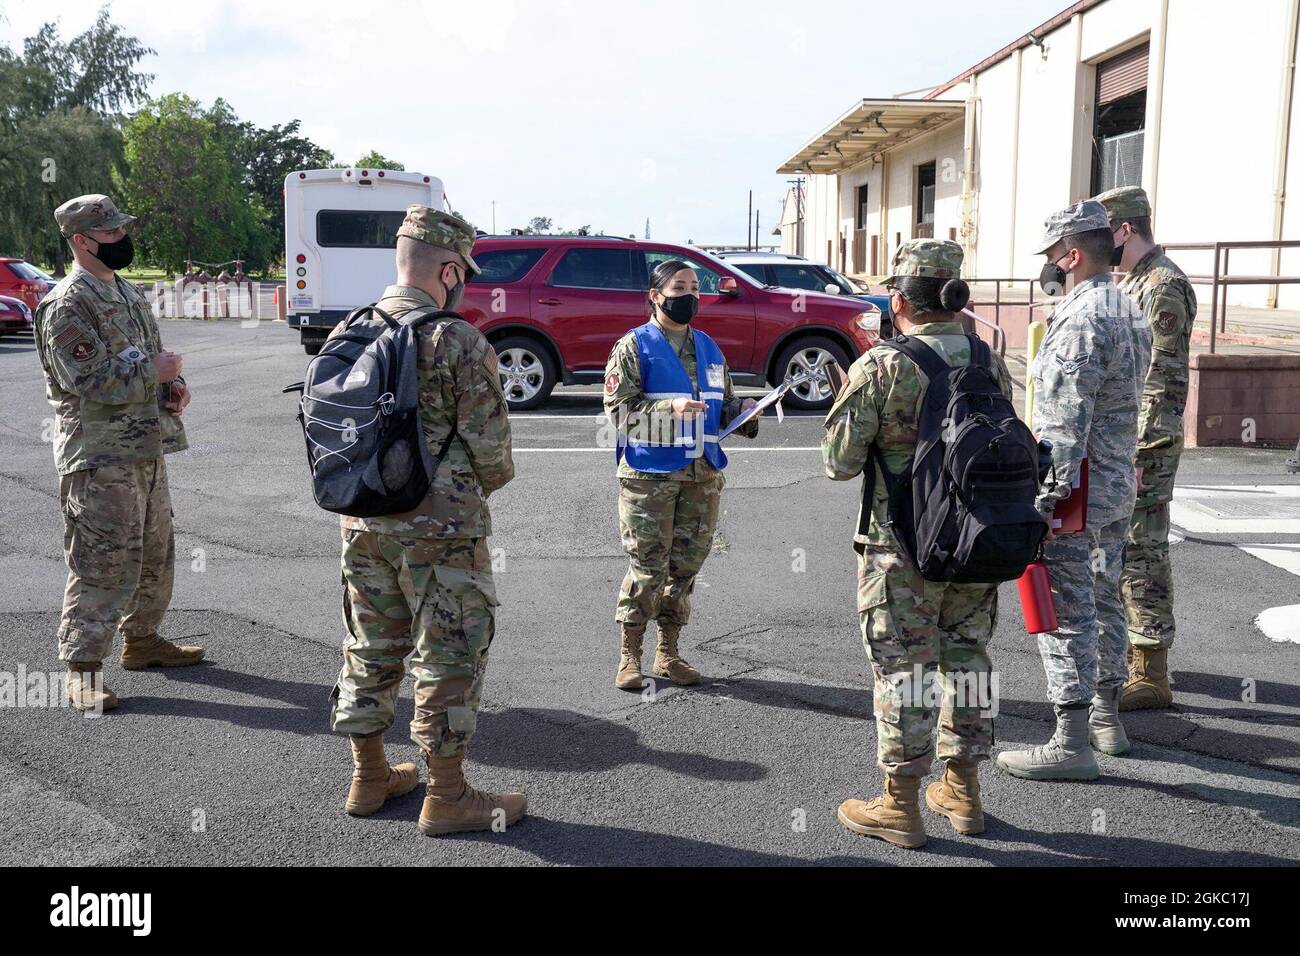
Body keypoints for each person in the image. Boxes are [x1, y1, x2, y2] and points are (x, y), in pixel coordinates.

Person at [326, 207, 525, 836]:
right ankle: (447, 796)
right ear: (447, 268)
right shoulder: (457, 338)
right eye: (461, 271)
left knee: (371, 644)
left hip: (360, 520)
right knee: (448, 652)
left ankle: (369, 776)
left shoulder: (348, 330)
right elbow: (492, 452)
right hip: (441, 530)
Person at [823, 239, 1013, 849]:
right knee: (969, 661)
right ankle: (966, 792)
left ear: (898, 299)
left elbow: (840, 462)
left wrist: (844, 403)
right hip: (977, 542)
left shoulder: (882, 365)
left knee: (905, 671)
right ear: (957, 296)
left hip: (901, 548)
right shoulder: (988, 359)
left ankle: (900, 806)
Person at [997, 201, 1151, 781]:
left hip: (1078, 490)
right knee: (1106, 596)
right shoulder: (1126, 305)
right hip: (1115, 483)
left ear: (1073, 254)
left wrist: (1044, 500)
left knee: (1065, 610)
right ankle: (1107, 717)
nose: (1050, 267)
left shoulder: (1083, 315)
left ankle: (1070, 741)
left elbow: (1062, 422)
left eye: (1052, 257)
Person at [34, 194, 202, 714]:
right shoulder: (67, 303)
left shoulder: (124, 291)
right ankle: (82, 670)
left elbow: (148, 358)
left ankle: (143, 640)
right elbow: (84, 379)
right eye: (110, 234)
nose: (122, 240)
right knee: (101, 558)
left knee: (156, 550)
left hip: (146, 446)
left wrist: (173, 390)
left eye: (121, 230)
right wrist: (155, 374)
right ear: (82, 241)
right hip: (99, 454)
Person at [603, 258, 760, 690]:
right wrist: (669, 411)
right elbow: (620, 414)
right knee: (647, 568)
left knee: (686, 568)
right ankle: (629, 656)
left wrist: (745, 411)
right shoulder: (634, 346)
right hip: (649, 475)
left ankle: (668, 653)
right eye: (679, 288)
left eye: (695, 288)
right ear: (656, 296)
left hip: (702, 475)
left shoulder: (708, 347)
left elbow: (721, 403)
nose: (689, 296)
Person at [1094, 185, 1196, 711]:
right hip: (1125, 441)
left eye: (1103, 230)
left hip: (1145, 445)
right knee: (1123, 548)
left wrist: (1138, 452)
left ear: (1124, 230)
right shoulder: (1133, 282)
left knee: (1142, 551)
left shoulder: (1162, 286)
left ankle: (1152, 670)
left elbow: (1160, 379)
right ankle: (1135, 649)